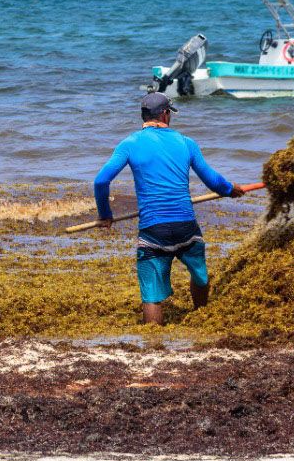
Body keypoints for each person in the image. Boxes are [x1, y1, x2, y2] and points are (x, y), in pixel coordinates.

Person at [93, 91, 246, 325]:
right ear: (165, 114)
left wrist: (105, 214)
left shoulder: (130, 144)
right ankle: (202, 317)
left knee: (152, 294)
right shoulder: (186, 143)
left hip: (154, 230)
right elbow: (213, 181)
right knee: (200, 275)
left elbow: (101, 181)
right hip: (186, 227)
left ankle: (153, 338)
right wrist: (230, 189)